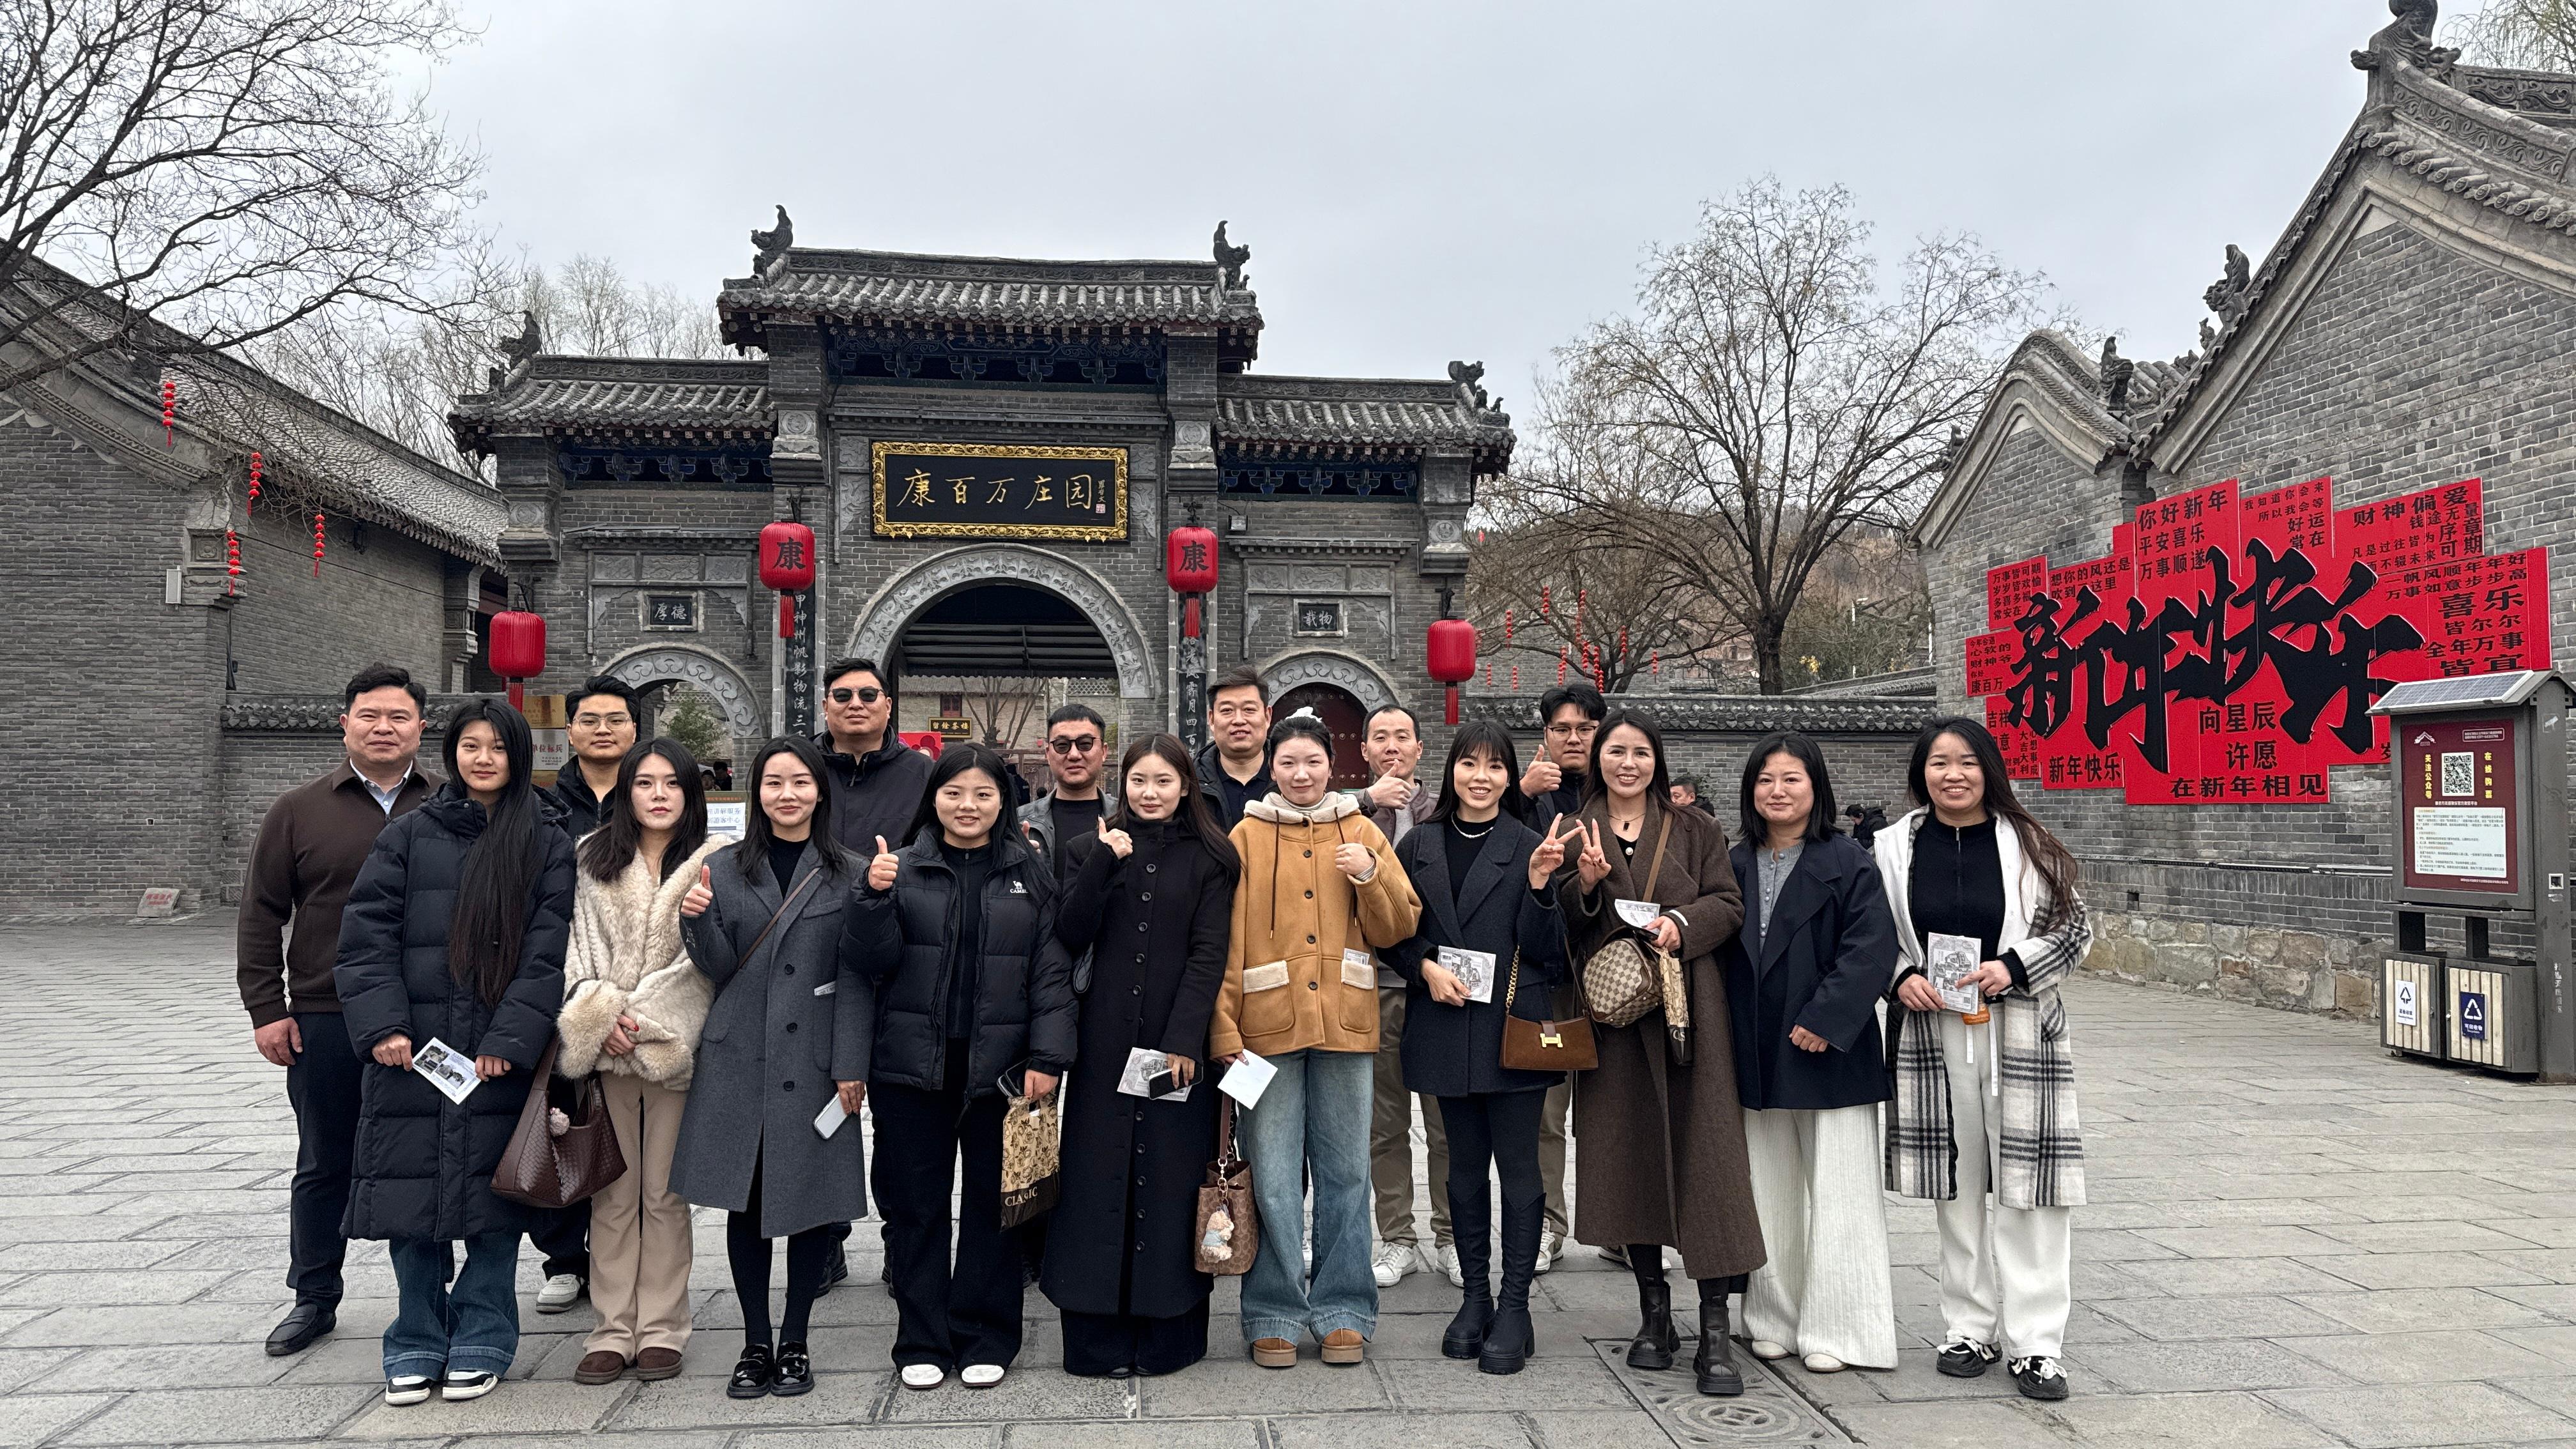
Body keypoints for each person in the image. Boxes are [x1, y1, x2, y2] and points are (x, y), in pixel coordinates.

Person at [334, 698, 574, 1407]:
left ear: (519, 756)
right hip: (411, 1054)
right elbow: (366, 937)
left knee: (494, 1207)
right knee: (410, 1202)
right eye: (471, 746)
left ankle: (485, 1334)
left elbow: (550, 950)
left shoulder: (546, 839)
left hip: (497, 1059)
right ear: (452, 754)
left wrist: (510, 1040)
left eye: (497, 747)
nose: (483, 759)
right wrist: (384, 1027)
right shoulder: (409, 834)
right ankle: (414, 1336)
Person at [845, 742, 1077, 1391]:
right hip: (909, 1070)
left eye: (982, 794)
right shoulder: (899, 868)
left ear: (1004, 802)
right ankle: (921, 1337)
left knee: (996, 1206)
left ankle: (986, 1334)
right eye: (953, 793)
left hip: (1004, 1074)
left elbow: (1052, 976)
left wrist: (1048, 1058)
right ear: (934, 799)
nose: (967, 806)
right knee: (915, 1209)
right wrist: (870, 898)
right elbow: (868, 961)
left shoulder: (1031, 875)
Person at [1874, 717, 2093, 1403]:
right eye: (1939, 763)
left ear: (1989, 769)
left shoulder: (2031, 843)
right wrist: (1898, 976)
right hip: (1932, 1031)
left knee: (2031, 1187)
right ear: (1922, 774)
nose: (1953, 775)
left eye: (1967, 762)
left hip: (2020, 1031)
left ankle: (2037, 1344)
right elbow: (1868, 932)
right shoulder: (1891, 848)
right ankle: (1968, 1328)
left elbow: (2077, 930)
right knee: (1957, 1182)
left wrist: (2014, 966)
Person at [1558, 709, 1761, 1398]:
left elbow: (1728, 904)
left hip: (1690, 1010)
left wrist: (1681, 922)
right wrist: (1585, 887)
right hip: (1615, 1014)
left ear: (1657, 760)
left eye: (1641, 752)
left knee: (1709, 1159)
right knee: (1628, 1157)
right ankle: (1653, 1314)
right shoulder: (1574, 827)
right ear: (1597, 758)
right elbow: (1560, 923)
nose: (1628, 764)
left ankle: (1715, 1326)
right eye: (1616, 751)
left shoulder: (1696, 827)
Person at [1210, 714, 1420, 1369]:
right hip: (1265, 1028)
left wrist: (1369, 875)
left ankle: (1344, 1309)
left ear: (1335, 766)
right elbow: (1224, 940)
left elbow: (1398, 927)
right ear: (1271, 768)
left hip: (1346, 1024)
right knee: (1272, 1173)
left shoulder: (1362, 831)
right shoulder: (1245, 836)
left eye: (1314, 762)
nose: (1302, 775)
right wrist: (1223, 1026)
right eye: (1289, 763)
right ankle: (1273, 1310)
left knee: (1347, 1173)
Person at [238, 664, 436, 1358]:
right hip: (326, 1012)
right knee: (324, 1157)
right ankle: (314, 1295)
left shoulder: (447, 804)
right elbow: (261, 914)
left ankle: (427, 1301)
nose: (384, 728)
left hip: (427, 1014)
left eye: (398, 717)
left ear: (421, 728)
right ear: (344, 723)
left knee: (425, 1157)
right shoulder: (298, 810)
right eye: (370, 716)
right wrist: (267, 1008)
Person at [673, 737, 870, 1400]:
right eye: (774, 783)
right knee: (747, 1199)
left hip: (814, 1057)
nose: (788, 795)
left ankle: (796, 1340)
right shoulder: (723, 868)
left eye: (800, 782)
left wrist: (850, 1065)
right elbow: (718, 967)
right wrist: (695, 923)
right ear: (756, 792)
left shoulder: (849, 871)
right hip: (741, 1055)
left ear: (820, 791)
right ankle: (756, 1341)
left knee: (811, 1203)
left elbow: (857, 977)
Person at [1381, 723, 1577, 1376]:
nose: (1481, 778)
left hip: (1510, 1028)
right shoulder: (1419, 843)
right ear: (1451, 771)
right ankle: (1474, 1298)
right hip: (1443, 1023)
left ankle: (1515, 1307)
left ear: (1509, 776)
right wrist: (1424, 966)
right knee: (1461, 1170)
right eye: (1470, 764)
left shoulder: (1528, 843)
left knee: (1519, 1170)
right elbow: (1389, 927)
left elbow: (1549, 952)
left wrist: (1542, 885)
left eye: (1495, 766)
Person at [1043, 735, 1239, 1378]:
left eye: (1163, 781)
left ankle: (1166, 1335)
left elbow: (1209, 952)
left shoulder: (1212, 857)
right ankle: (1095, 1338)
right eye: (1138, 781)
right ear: (1121, 784)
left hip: (1174, 1045)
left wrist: (1184, 1039)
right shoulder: (1088, 848)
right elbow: (1071, 932)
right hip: (1103, 1044)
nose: (1149, 793)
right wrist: (1103, 863)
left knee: (1170, 1174)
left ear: (1186, 787)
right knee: (1097, 1174)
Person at [555, 739, 731, 1386]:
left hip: (673, 1051)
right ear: (625, 791)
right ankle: (610, 1329)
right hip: (604, 1052)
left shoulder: (718, 861)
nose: (659, 795)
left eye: (672, 783)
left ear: (692, 792)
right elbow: (570, 945)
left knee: (663, 1194)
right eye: (645, 782)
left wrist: (644, 1023)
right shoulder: (589, 857)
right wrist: (598, 1014)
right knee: (612, 1195)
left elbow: (706, 961)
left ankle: (661, 1327)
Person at [1722, 733, 1898, 1375]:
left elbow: (1871, 947)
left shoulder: (1849, 861)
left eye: (1791, 779)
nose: (1778, 791)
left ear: (1816, 787)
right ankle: (1773, 1315)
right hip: (1755, 1044)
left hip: (1829, 1049)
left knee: (1839, 1188)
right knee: (1765, 1186)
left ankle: (1842, 1329)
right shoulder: (1735, 863)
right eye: (1765, 780)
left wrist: (1826, 1017)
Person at [810, 656, 930, 1288]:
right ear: (825, 706)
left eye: (867, 694)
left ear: (888, 705)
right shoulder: (801, 768)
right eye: (842, 695)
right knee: (817, 1108)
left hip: (897, 957)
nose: (855, 704)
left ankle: (898, 1245)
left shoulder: (923, 775)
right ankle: (822, 1240)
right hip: (811, 955)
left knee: (897, 1118)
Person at [530, 673, 643, 1312]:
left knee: (626, 1126)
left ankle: (622, 1254)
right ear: (570, 731)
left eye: (616, 719)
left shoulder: (652, 798)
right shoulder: (541, 804)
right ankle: (564, 1257)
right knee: (561, 1117)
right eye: (590, 720)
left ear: (635, 729)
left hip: (634, 987)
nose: (603, 730)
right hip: (557, 980)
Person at [1349, 704, 1446, 1291]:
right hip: (1374, 987)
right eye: (1380, 738)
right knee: (1384, 1124)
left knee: (1444, 1122)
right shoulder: (1345, 814)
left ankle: (1452, 1237)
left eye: (1402, 737)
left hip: (1437, 987)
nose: (1392, 746)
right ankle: (1398, 1239)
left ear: (1419, 749)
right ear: (1364, 751)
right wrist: (1366, 802)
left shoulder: (1445, 810)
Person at [1510, 680, 1605, 1267]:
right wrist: (1521, 795)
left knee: (1613, 1107)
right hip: (1548, 973)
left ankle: (1619, 1226)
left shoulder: (1621, 789)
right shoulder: (1528, 792)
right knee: (1546, 1112)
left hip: (1613, 974)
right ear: (1544, 734)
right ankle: (1548, 1223)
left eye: (1585, 728)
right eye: (1562, 728)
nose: (1574, 738)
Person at [1016, 702, 1116, 878]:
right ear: (1048, 753)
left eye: (1085, 744)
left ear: (1104, 751)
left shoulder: (1126, 817)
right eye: (1062, 745)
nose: (1074, 755)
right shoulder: (1019, 822)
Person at [1197, 665, 1274, 827]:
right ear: (1211, 719)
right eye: (1227, 710)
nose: (1239, 720)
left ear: (1267, 716)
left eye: (1249, 709)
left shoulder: (1292, 778)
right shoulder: (1189, 782)